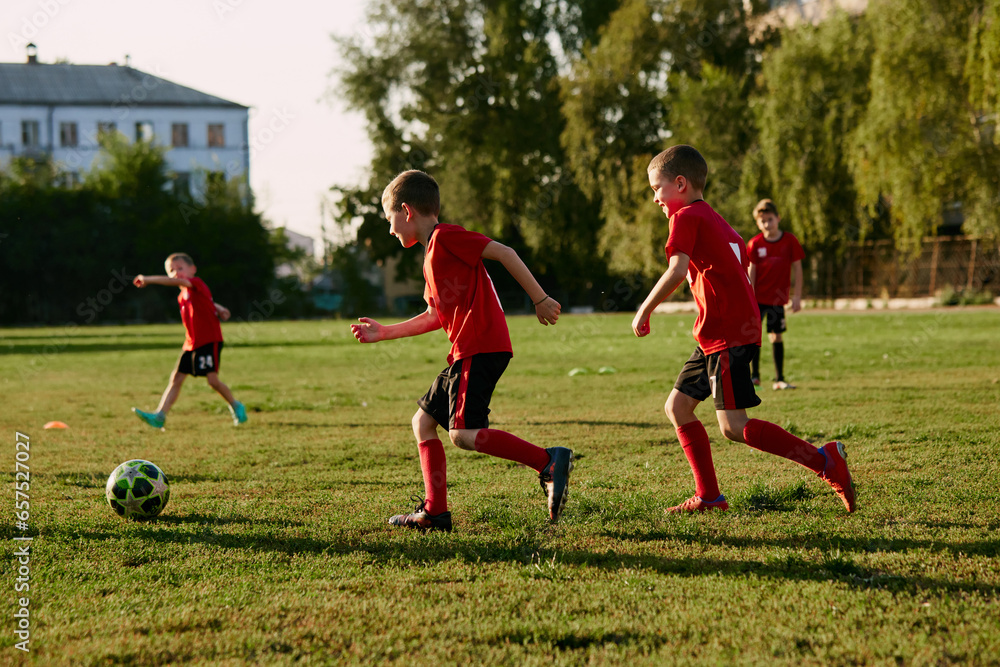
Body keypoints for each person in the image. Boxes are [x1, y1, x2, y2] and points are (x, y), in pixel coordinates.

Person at [631, 145, 855, 514]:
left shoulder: (685, 216)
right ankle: (709, 497)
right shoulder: (722, 223)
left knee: (734, 427)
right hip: (717, 334)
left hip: (727, 335)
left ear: (681, 184)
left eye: (657, 188)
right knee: (678, 407)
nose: (655, 197)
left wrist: (644, 309)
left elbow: (675, 269)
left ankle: (824, 460)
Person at [351, 169, 572, 531]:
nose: (390, 230)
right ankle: (435, 513)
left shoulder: (447, 236)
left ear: (406, 211)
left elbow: (505, 252)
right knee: (423, 422)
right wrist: (383, 333)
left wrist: (540, 298)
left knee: (462, 435)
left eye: (389, 219)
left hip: (480, 345)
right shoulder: (431, 257)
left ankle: (548, 461)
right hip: (466, 349)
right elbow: (434, 316)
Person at [131, 253, 247, 429]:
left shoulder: (196, 283)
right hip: (191, 342)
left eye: (180, 268)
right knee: (176, 378)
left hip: (209, 340)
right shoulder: (183, 295)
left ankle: (236, 405)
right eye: (172, 270)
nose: (176, 273)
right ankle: (160, 416)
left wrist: (147, 279)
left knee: (213, 381)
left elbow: (193, 290)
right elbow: (206, 302)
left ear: (192, 269)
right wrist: (220, 308)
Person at [747, 198, 805, 390]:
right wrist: (748, 297)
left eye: (770, 219)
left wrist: (797, 296)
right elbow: (751, 272)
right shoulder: (754, 244)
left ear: (778, 218)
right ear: (757, 222)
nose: (767, 224)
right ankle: (754, 377)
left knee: (776, 336)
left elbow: (797, 269)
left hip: (777, 300)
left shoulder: (789, 241)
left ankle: (779, 378)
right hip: (757, 300)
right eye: (762, 221)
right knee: (753, 336)